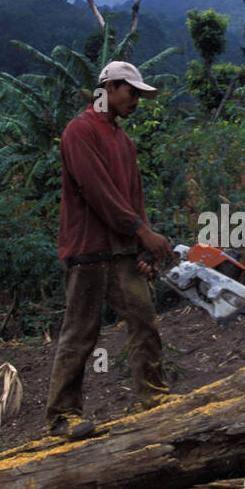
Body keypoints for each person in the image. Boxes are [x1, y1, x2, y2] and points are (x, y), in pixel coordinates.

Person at [45, 61, 174, 440]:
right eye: (131, 92)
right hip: (87, 249)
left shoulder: (124, 142)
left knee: (144, 319)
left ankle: (153, 398)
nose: (136, 101)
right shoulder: (80, 130)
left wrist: (143, 246)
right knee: (80, 332)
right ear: (110, 87)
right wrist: (141, 232)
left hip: (121, 250)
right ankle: (62, 416)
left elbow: (134, 198)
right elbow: (96, 191)